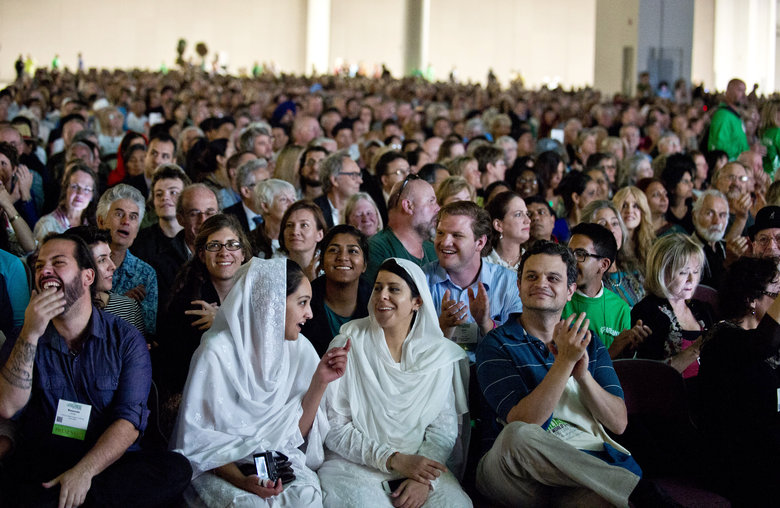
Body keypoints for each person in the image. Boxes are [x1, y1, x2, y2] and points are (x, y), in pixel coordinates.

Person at [0, 233, 191, 506]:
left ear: (88, 277)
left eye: (58, 262)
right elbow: (7, 408)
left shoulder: (125, 339)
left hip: (107, 461)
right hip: (47, 458)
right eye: (40, 265)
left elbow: (129, 422)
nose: (45, 271)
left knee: (176, 468)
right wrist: (31, 333)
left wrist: (83, 473)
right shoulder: (23, 335)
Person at [475, 241, 668, 507]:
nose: (540, 283)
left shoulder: (590, 342)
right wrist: (564, 362)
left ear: (570, 291)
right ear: (518, 286)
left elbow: (618, 423)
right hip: (512, 470)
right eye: (531, 276)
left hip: (581, 465)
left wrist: (582, 375)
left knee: (601, 501)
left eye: (553, 278)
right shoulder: (497, 344)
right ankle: (636, 490)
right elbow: (525, 421)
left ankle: (623, 492)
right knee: (516, 435)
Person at [172, 258, 351, 507]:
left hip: (276, 464)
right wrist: (242, 480)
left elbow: (293, 438)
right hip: (220, 468)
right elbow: (196, 443)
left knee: (305, 497)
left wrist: (320, 381)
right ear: (272, 303)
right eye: (302, 303)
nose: (309, 313)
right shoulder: (216, 353)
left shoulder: (300, 350)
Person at [318, 258, 471, 507]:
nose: (382, 296)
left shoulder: (439, 356)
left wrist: (423, 478)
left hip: (419, 463)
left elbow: (442, 431)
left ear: (416, 301)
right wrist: (393, 459)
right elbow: (335, 427)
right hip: (356, 464)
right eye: (378, 288)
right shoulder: (347, 344)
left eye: (394, 289)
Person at [698, 256, 780, 505]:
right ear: (750, 299)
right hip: (741, 458)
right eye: (776, 295)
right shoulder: (722, 338)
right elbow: (761, 344)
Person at [424, 201, 522, 346]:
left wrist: (486, 323)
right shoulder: (420, 280)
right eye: (440, 233)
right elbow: (408, 347)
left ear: (480, 243)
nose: (444, 243)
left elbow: (519, 349)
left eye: (457, 235)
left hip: (490, 368)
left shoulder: (509, 283)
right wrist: (442, 327)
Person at [633, 234, 713, 378]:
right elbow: (650, 375)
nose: (691, 279)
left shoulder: (703, 309)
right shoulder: (647, 311)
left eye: (695, 272)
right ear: (662, 272)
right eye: (683, 272)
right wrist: (694, 350)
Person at [96, 184, 159, 336]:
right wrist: (123, 303)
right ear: (101, 221)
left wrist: (107, 304)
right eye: (119, 214)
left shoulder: (145, 274)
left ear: (137, 230)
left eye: (133, 217)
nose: (126, 221)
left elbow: (146, 331)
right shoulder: (84, 262)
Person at [301, 225, 371, 357]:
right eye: (333, 250)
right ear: (321, 262)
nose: (343, 257)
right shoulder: (304, 301)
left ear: (365, 265)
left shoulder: (375, 302)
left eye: (353, 251)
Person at [68, 226, 146, 337]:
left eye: (110, 257)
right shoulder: (60, 309)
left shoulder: (128, 309)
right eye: (102, 260)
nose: (113, 266)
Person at [365, 175, 439, 283]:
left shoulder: (433, 250)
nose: (438, 208)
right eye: (431, 201)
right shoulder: (377, 248)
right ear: (408, 206)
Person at [581, 200, 647, 308]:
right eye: (602, 224)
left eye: (615, 223)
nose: (611, 230)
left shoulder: (634, 271)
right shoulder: (587, 281)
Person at [33, 162, 97, 243]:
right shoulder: (47, 225)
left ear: (92, 195)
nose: (80, 194)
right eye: (75, 187)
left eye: (87, 189)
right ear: (65, 188)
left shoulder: (94, 226)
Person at [691, 189, 730, 288]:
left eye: (722, 215)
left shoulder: (725, 247)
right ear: (695, 216)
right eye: (710, 213)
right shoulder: (686, 250)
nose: (717, 221)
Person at [279, 200, 327, 281]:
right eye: (289, 225)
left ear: (319, 235)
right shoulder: (272, 268)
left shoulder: (328, 271)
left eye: (304, 225)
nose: (295, 232)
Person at [249, 178, 296, 258]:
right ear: (265, 206)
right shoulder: (249, 241)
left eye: (293, 199)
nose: (292, 204)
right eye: (283, 199)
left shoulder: (298, 237)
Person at [484, 190, 531, 271]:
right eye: (518, 214)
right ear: (498, 225)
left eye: (526, 213)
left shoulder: (532, 262)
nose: (528, 220)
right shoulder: (483, 263)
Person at [315, 151, 363, 228]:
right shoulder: (315, 211)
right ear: (334, 180)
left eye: (359, 175)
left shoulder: (362, 209)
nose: (360, 181)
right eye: (354, 175)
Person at [223, 158, 271, 234]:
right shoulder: (227, 218)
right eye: (264, 184)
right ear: (246, 191)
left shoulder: (276, 213)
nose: (270, 189)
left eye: (270, 183)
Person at [613, 186, 656, 271]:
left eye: (635, 206)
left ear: (643, 212)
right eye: (624, 205)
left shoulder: (652, 245)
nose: (629, 211)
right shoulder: (610, 246)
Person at [708, 78, 749, 160]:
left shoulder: (735, 116)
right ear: (728, 92)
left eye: (744, 91)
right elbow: (719, 148)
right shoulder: (723, 116)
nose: (744, 95)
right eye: (740, 90)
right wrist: (745, 153)